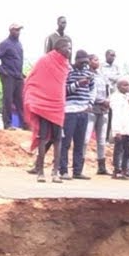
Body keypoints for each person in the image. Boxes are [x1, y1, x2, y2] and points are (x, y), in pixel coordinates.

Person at [23, 37, 71, 183]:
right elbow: (31, 79)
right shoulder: (44, 60)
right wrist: (33, 99)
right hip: (44, 105)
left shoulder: (65, 64)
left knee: (58, 140)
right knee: (43, 139)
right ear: (59, 48)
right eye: (67, 48)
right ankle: (41, 172)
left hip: (58, 105)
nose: (69, 51)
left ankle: (55, 173)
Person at [60, 49, 96, 180]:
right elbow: (63, 90)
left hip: (83, 111)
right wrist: (77, 84)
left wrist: (90, 103)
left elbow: (93, 89)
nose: (84, 65)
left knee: (80, 143)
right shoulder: (68, 71)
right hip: (70, 111)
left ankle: (77, 171)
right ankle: (63, 170)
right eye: (82, 62)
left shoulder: (88, 72)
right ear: (76, 60)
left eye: (86, 62)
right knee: (66, 142)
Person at [0, 23, 25, 129]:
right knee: (8, 100)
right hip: (9, 76)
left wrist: (21, 72)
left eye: (19, 30)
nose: (18, 32)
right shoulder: (5, 43)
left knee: (20, 100)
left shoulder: (19, 44)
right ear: (10, 31)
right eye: (16, 30)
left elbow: (17, 60)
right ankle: (7, 124)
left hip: (18, 76)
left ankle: (24, 124)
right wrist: (2, 71)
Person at [87, 53, 112, 175]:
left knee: (102, 140)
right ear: (89, 61)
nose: (98, 62)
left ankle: (101, 167)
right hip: (91, 110)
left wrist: (108, 100)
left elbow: (108, 90)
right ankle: (78, 166)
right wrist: (101, 101)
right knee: (86, 139)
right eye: (96, 60)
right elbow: (87, 92)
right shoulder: (86, 74)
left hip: (103, 110)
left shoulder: (102, 75)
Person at [109, 78, 129, 178]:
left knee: (127, 151)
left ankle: (125, 170)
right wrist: (117, 131)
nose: (127, 87)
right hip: (120, 129)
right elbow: (116, 115)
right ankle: (117, 171)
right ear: (118, 87)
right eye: (124, 85)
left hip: (127, 129)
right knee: (118, 150)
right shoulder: (115, 97)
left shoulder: (126, 97)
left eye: (128, 85)